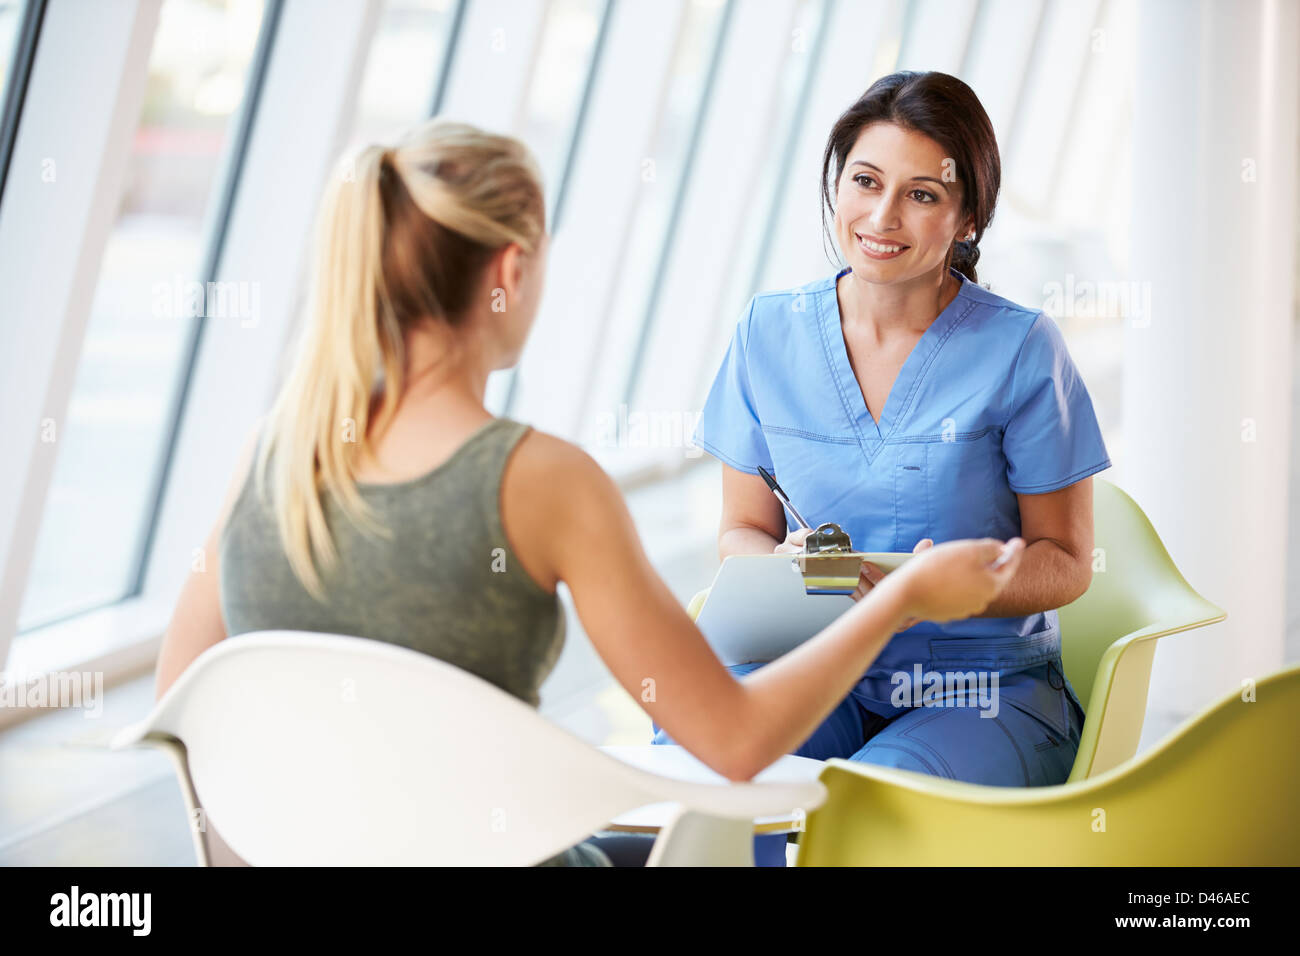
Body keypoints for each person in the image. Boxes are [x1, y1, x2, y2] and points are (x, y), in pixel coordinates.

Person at [154, 117, 1024, 867]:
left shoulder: (272, 452)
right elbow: (733, 741)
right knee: (709, 837)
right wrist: (904, 596)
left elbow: (188, 709)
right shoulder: (543, 481)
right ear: (511, 267)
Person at [658, 70, 1109, 825]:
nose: (882, 215)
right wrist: (785, 568)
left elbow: (1064, 561)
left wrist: (944, 590)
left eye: (922, 194)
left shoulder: (1023, 349)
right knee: (705, 767)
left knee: (860, 810)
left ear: (968, 218)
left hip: (982, 689)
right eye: (865, 181)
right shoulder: (767, 333)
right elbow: (741, 532)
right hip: (813, 661)